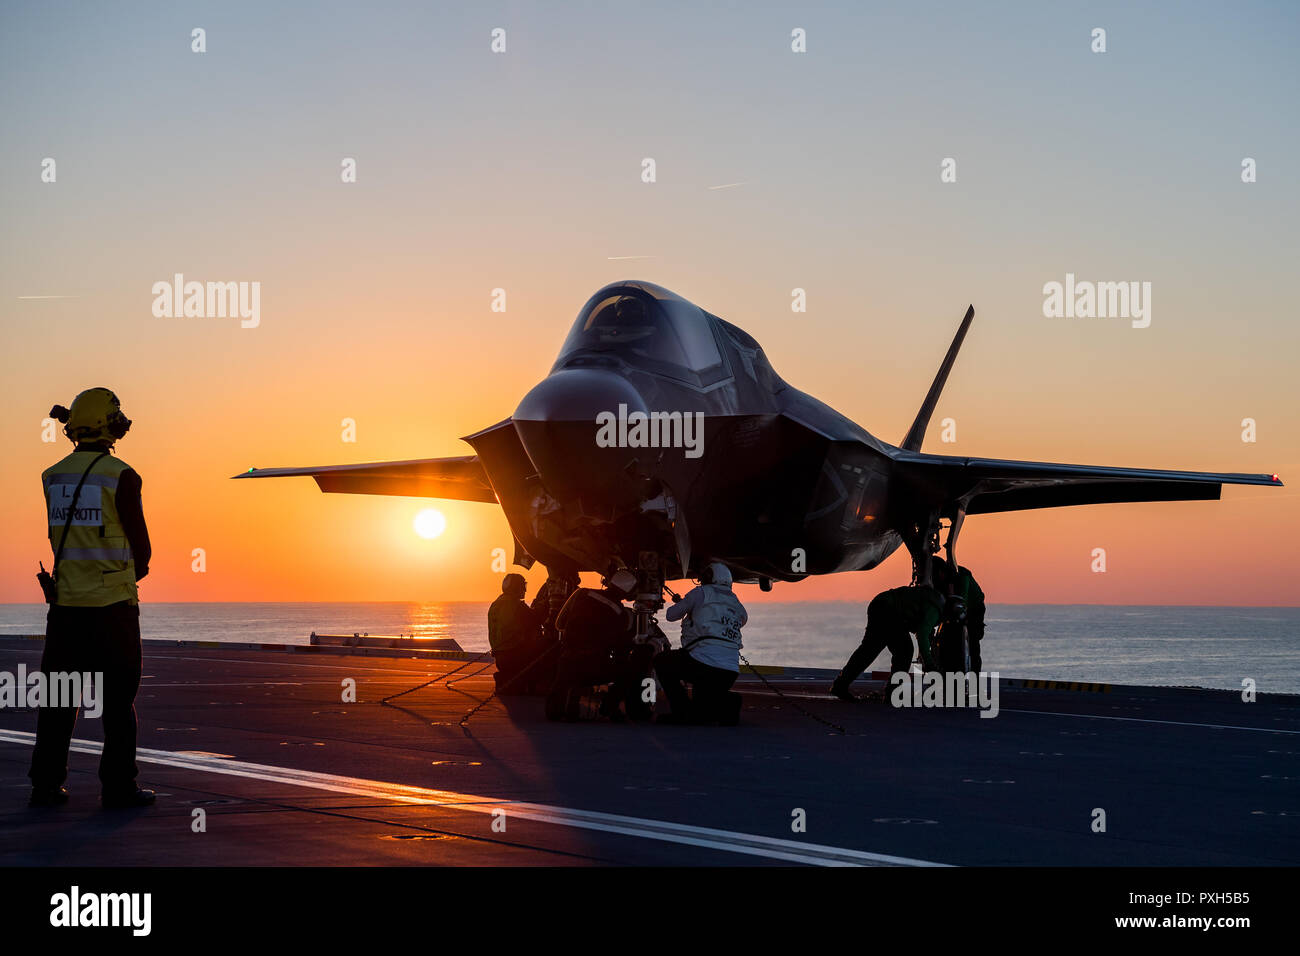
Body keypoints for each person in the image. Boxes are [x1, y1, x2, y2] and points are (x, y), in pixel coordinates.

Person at [30, 388, 155, 809]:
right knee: (118, 706)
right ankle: (118, 788)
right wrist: (124, 576)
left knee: (58, 703)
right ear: (108, 424)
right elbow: (143, 551)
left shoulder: (52, 476)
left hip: (64, 610)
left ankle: (46, 786)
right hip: (112, 610)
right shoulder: (122, 475)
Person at [654, 561, 748, 725]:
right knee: (702, 711)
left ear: (707, 577)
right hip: (729, 673)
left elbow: (671, 615)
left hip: (703, 666)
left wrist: (687, 604)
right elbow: (743, 619)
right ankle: (729, 701)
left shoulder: (701, 593)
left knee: (662, 661)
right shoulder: (735, 602)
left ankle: (680, 712)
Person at [545, 568, 638, 721]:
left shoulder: (581, 593)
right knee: (628, 672)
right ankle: (608, 707)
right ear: (628, 593)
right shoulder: (620, 614)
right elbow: (620, 650)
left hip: (567, 664)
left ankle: (561, 707)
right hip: (594, 668)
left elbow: (559, 623)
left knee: (555, 709)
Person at [830, 581, 945, 702]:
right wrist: (930, 664)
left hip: (882, 605)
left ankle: (841, 685)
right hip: (887, 609)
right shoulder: (936, 610)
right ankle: (893, 693)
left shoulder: (934, 602)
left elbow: (917, 623)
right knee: (903, 651)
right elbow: (922, 635)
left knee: (870, 650)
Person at [487, 574, 552, 695]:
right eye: (523, 586)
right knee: (549, 645)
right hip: (516, 656)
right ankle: (541, 684)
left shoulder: (496, 604)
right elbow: (535, 619)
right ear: (516, 588)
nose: (525, 590)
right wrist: (544, 604)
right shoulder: (516, 605)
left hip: (500, 657)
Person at [930, 561, 987, 672]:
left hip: (974, 609)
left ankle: (974, 679)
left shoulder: (962, 575)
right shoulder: (937, 581)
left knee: (973, 642)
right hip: (952, 609)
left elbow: (962, 601)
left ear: (941, 572)